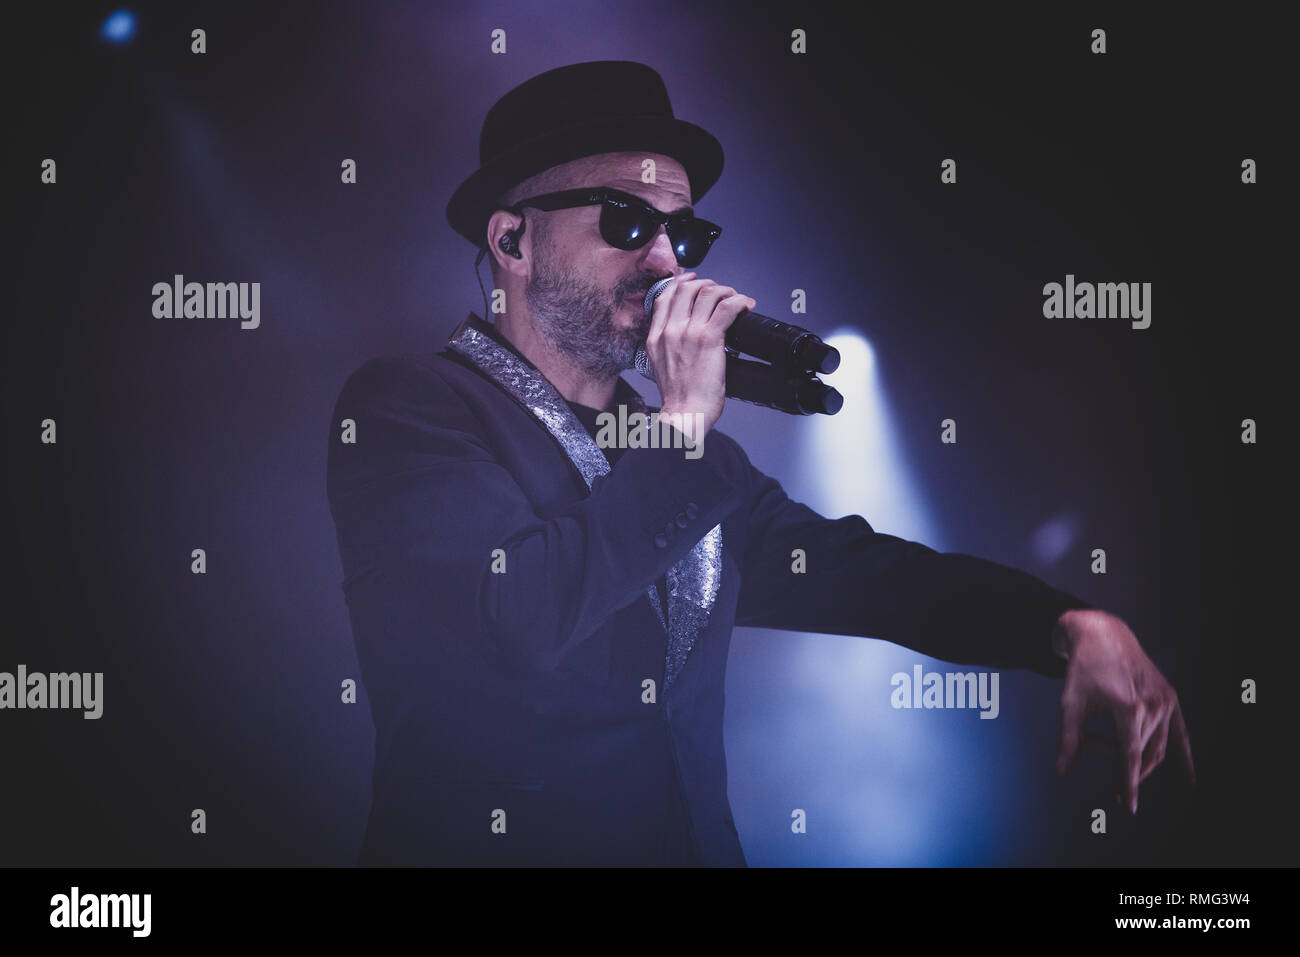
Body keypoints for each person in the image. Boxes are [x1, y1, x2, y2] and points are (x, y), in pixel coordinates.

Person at [325, 60, 1194, 866]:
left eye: (685, 234)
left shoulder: (685, 452)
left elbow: (867, 574)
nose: (665, 261)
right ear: (512, 241)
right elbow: (512, 621)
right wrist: (682, 428)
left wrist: (1064, 622)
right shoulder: (412, 409)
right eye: (626, 220)